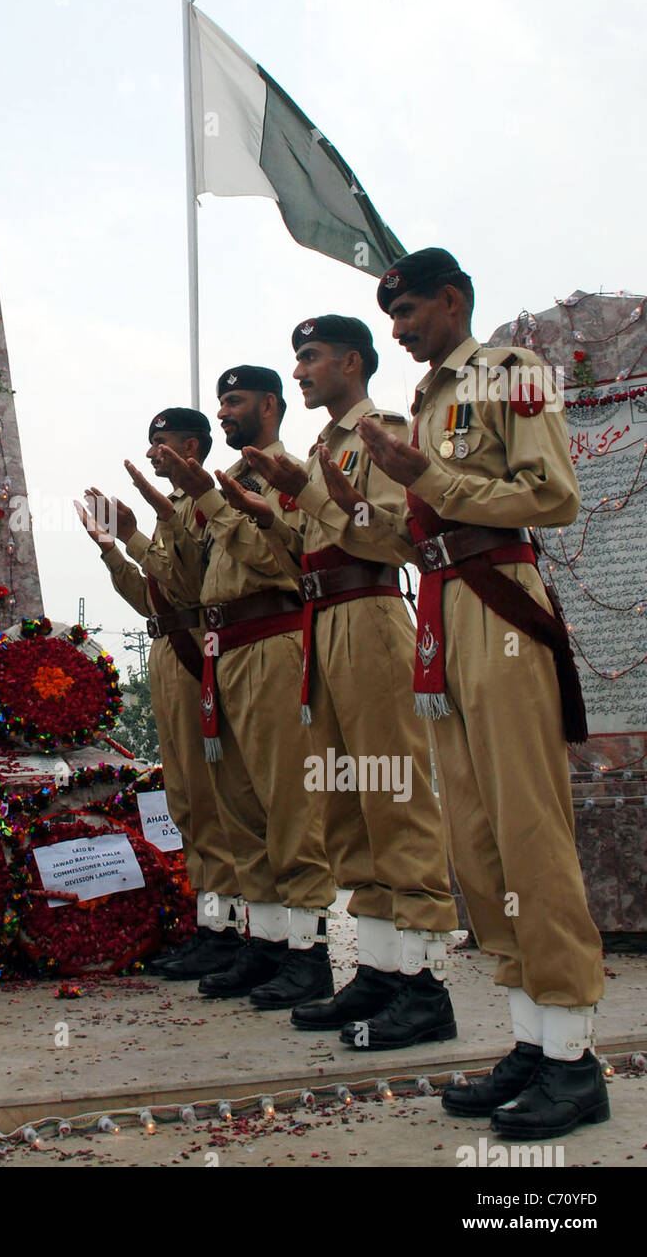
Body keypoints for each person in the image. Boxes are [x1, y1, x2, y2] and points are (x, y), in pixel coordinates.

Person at [349, 248, 607, 1139]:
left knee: (528, 828)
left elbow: (551, 494)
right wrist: (366, 512)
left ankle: (576, 1056)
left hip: (499, 605)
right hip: (442, 607)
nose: (397, 330)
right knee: (477, 836)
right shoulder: (422, 405)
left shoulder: (511, 374)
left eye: (409, 312)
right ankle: (535, 1038)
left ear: (452, 300)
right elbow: (415, 529)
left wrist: (423, 477)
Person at [228, 315, 458, 1049]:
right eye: (296, 361)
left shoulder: (382, 435)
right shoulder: (326, 447)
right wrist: (265, 516)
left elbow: (396, 535)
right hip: (321, 618)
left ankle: (425, 984)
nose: (298, 374)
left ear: (351, 364)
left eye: (311, 359)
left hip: (371, 612)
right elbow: (303, 549)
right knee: (345, 806)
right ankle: (383, 971)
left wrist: (311, 495)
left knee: (394, 796)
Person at [149, 368, 336, 1009]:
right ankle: (264, 941)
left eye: (233, 402)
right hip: (221, 648)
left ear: (269, 405)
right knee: (238, 809)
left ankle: (310, 953)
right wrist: (148, 524)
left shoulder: (286, 475)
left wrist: (212, 501)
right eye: (221, 402)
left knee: (287, 803)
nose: (223, 413)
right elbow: (193, 583)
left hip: (273, 638)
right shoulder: (229, 485)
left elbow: (271, 561)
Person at [76, 408, 243, 979]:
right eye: (149, 444)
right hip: (170, 648)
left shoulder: (207, 508)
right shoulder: (174, 515)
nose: (151, 453)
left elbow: (185, 585)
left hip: (202, 653)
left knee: (216, 799)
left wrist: (136, 533)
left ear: (191, 446)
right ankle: (211, 925)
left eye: (161, 442)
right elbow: (152, 601)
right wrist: (111, 550)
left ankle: (240, 931)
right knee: (188, 802)